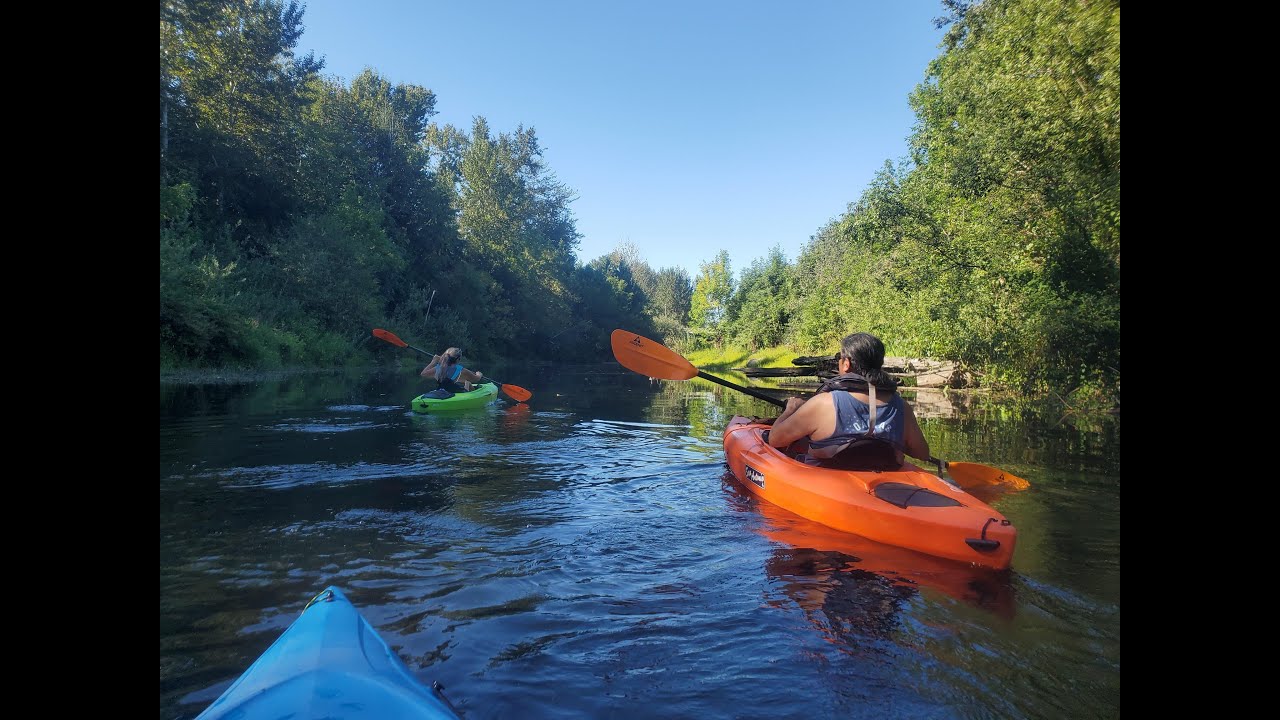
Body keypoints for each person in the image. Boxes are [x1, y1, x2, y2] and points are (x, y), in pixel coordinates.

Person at [764, 332, 930, 469]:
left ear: (846, 364)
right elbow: (922, 454)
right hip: (883, 483)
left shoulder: (823, 403)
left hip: (828, 489)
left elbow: (775, 439)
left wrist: (791, 410)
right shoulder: (901, 406)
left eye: (840, 358)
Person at [419, 347, 484, 398]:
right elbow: (476, 379)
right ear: (458, 359)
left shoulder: (438, 368)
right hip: (456, 394)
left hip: (441, 393)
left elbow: (423, 374)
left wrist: (433, 362)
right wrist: (479, 374)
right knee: (468, 383)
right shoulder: (462, 370)